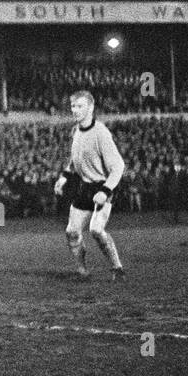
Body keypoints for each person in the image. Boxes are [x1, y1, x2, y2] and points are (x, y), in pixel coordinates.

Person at [53, 91, 125, 281]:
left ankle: (117, 268)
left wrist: (105, 191)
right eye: (73, 106)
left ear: (91, 108)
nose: (74, 110)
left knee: (96, 230)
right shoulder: (76, 130)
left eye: (79, 106)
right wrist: (64, 177)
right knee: (71, 232)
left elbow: (118, 166)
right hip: (85, 187)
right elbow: (75, 158)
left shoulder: (101, 133)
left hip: (102, 186)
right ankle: (82, 270)